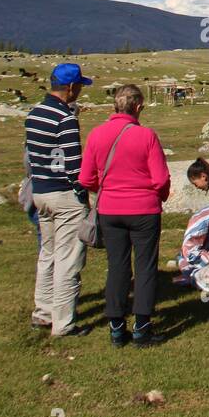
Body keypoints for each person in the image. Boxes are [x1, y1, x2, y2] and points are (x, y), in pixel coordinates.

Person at [78, 84, 170, 348]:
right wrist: (158, 196)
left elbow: (86, 178)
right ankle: (142, 328)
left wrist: (106, 192)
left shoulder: (96, 135)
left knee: (117, 266)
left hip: (109, 210)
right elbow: (160, 178)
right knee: (145, 267)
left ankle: (116, 328)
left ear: (114, 106)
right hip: (144, 210)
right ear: (139, 107)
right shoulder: (147, 136)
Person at [26, 62, 93, 337]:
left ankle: (42, 313)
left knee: (48, 254)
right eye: (79, 86)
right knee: (69, 260)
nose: (79, 91)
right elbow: (75, 165)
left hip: (40, 192)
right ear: (70, 87)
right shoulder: (64, 119)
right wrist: (83, 194)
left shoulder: (34, 114)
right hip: (64, 196)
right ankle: (63, 323)